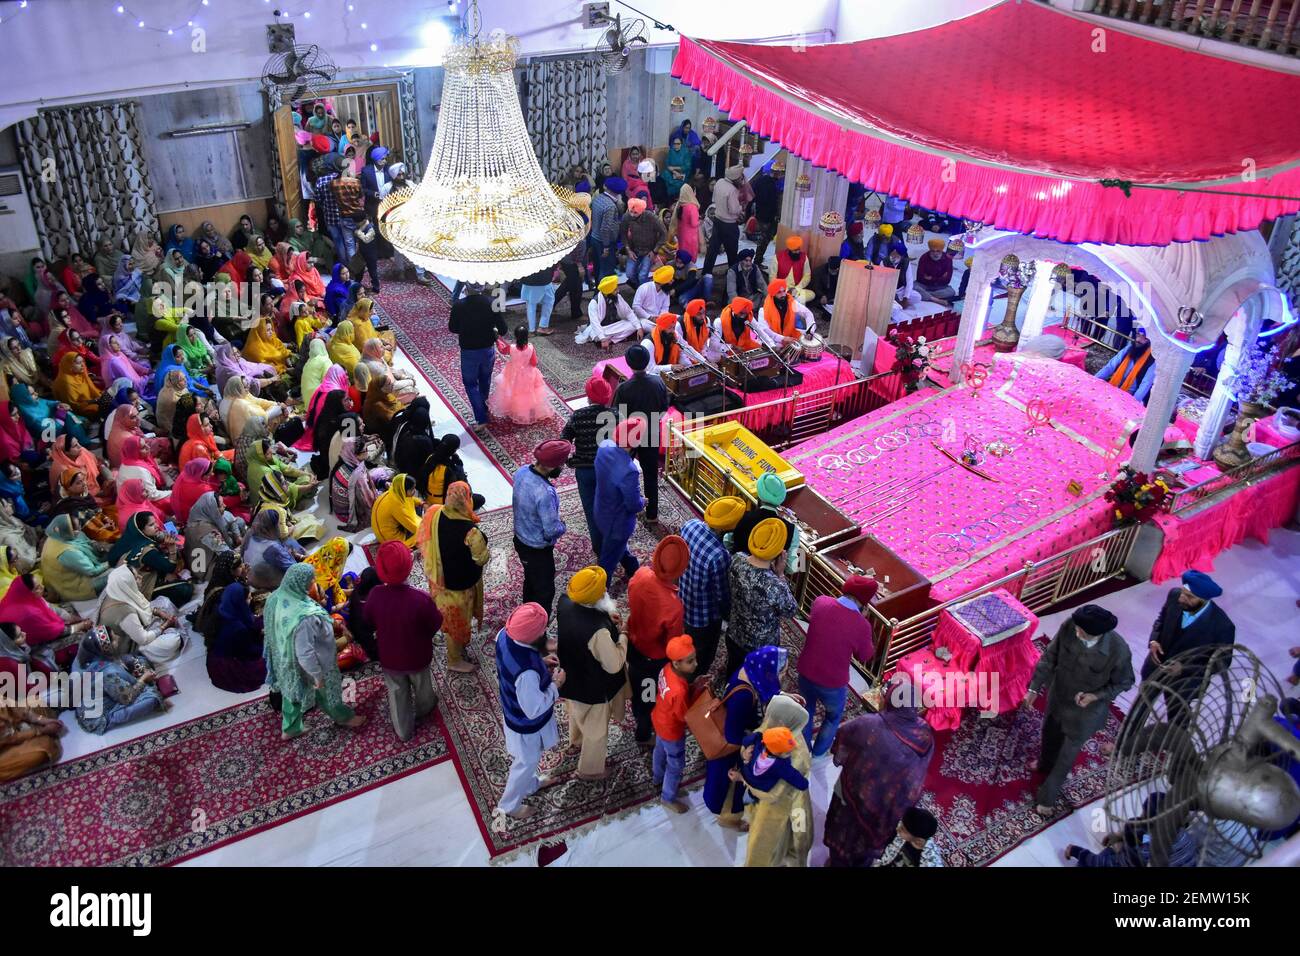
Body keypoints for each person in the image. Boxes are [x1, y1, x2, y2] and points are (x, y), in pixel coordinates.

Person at [1023, 604, 1134, 816]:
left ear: (1098, 634)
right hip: (1059, 696)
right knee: (1049, 733)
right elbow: (1049, 657)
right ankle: (1045, 763)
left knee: (1066, 755)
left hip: (1085, 713)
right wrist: (1034, 688)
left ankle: (1048, 798)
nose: (1077, 632)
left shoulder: (1118, 650)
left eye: (1082, 631)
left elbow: (1125, 682)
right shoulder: (1070, 626)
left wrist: (1096, 696)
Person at [824, 671, 935, 866]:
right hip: (887, 807)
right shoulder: (924, 733)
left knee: (843, 834)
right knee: (866, 845)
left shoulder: (870, 724)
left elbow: (842, 738)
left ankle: (837, 862)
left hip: (853, 795)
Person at [264, 563, 367, 741]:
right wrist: (317, 676)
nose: (313, 582)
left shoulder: (278, 597)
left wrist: (335, 624)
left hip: (284, 656)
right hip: (313, 663)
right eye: (310, 579)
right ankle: (344, 718)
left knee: (291, 691)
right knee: (328, 692)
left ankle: (291, 727)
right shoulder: (304, 618)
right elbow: (305, 653)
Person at [556, 565, 629, 781]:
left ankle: (575, 743)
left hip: (570, 676)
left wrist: (608, 619)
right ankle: (590, 770)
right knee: (596, 731)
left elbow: (584, 618)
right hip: (594, 686)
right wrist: (623, 636)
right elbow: (614, 664)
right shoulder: (598, 631)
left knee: (577, 714)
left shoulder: (565, 602)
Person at [364, 540, 442, 742]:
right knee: (423, 686)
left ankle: (403, 730)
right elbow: (435, 623)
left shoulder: (374, 595)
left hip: (390, 658)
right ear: (409, 567)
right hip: (418, 656)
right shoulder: (421, 599)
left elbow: (368, 620)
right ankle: (425, 710)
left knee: (397, 693)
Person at [494, 601, 565, 821]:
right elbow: (533, 709)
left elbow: (517, 659)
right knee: (525, 763)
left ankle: (532, 785)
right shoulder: (527, 674)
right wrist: (556, 686)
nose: (545, 633)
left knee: (530, 761)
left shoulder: (504, 635)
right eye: (542, 631)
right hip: (525, 724)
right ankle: (509, 806)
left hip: (513, 710)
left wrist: (540, 662)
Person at [1136, 570, 1235, 725]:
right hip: (1155, 666)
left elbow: (1222, 662)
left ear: (1204, 600)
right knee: (1141, 705)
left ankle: (1173, 745)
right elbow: (1161, 619)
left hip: (1184, 681)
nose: (1182, 598)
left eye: (1189, 597)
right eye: (1183, 592)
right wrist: (1154, 641)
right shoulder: (1175, 595)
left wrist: (1184, 667)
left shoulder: (1222, 626)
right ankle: (1126, 740)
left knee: (1177, 716)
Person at [703, 645, 787, 829]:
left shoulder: (748, 669)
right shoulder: (744, 696)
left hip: (734, 740)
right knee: (729, 794)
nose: (782, 677)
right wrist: (755, 740)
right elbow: (733, 736)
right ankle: (730, 820)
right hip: (733, 756)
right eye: (781, 673)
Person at [798, 574, 877, 758]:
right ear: (865, 603)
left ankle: (803, 750)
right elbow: (866, 655)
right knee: (832, 717)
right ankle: (817, 754)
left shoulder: (821, 602)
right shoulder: (861, 625)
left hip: (806, 670)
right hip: (832, 683)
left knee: (806, 709)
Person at [418, 481, 488, 674]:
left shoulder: (435, 512)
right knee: (457, 622)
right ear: (467, 500)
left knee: (449, 617)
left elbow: (425, 536)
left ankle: (455, 648)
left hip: (439, 578)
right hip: (459, 585)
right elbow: (481, 558)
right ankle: (454, 660)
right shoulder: (471, 532)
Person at [626, 534, 689, 746]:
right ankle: (643, 734)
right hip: (652, 661)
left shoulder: (641, 574)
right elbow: (672, 645)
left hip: (633, 647)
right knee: (648, 698)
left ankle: (638, 713)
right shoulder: (673, 606)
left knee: (637, 690)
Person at [739, 694, 813, 866]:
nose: (766, 716)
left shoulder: (796, 758)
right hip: (763, 800)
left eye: (770, 714)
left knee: (764, 851)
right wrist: (744, 756)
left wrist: (743, 778)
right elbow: (748, 744)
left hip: (777, 812)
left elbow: (779, 797)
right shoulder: (773, 730)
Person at [726, 520, 799, 681]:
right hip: (759, 649)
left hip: (734, 634)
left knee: (732, 674)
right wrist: (780, 575)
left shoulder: (737, 559)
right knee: (754, 688)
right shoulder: (774, 585)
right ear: (779, 553)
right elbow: (791, 609)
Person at [679, 495, 742, 676]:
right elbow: (722, 595)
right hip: (703, 617)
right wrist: (730, 617)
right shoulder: (719, 555)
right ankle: (692, 689)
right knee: (701, 659)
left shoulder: (690, 525)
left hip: (683, 598)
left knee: (688, 645)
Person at [511, 439, 571, 618]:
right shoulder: (544, 492)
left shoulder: (521, 472)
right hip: (537, 548)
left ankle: (526, 611)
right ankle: (537, 629)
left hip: (520, 538)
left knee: (530, 580)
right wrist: (563, 526)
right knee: (544, 591)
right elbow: (551, 529)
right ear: (554, 465)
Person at [70, 626, 165, 736]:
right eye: (114, 639)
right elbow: (128, 698)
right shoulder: (107, 672)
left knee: (132, 659)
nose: (118, 637)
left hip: (100, 697)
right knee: (152, 700)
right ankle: (112, 716)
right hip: (99, 715)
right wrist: (143, 679)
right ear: (105, 648)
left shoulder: (85, 659)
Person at [612, 344, 669, 524]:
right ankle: (652, 514)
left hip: (630, 435)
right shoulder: (658, 382)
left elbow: (618, 415)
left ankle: (624, 504)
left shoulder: (623, 388)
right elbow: (664, 407)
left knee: (623, 470)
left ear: (628, 363)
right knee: (651, 475)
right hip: (651, 432)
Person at [562, 375, 615, 558]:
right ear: (608, 395)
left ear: (588, 396)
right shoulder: (616, 415)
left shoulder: (578, 416)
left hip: (585, 470)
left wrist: (568, 460)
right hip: (609, 470)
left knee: (591, 509)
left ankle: (599, 548)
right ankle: (613, 542)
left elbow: (564, 440)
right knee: (610, 505)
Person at [651, 634, 701, 812]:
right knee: (676, 764)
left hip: (659, 718)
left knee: (659, 749)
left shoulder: (666, 668)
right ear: (677, 663)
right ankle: (668, 797)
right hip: (672, 730)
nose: (695, 664)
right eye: (690, 661)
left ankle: (656, 777)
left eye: (695, 658)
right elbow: (683, 716)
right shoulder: (679, 691)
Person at [448, 284, 508, 431]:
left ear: (466, 288)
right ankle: (483, 407)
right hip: (488, 349)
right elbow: (503, 329)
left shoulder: (459, 305)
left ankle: (481, 417)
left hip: (469, 351)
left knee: (470, 384)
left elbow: (453, 328)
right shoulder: (491, 302)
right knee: (485, 379)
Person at [593, 416, 645, 582]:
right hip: (618, 524)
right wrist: (644, 501)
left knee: (617, 548)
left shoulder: (604, 446)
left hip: (601, 511)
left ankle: (632, 567)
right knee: (606, 564)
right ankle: (599, 595)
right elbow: (633, 505)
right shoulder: (629, 470)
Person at [488, 325, 553, 425]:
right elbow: (534, 362)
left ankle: (516, 408)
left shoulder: (512, 347)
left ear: (515, 336)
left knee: (514, 391)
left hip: (513, 373)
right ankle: (529, 408)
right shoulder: (531, 347)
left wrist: (497, 339)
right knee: (529, 392)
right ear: (527, 336)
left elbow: (502, 350)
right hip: (528, 374)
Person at [701, 165, 745, 279]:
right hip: (729, 225)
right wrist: (741, 208)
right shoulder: (732, 190)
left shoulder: (719, 182)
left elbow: (714, 199)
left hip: (717, 221)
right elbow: (734, 210)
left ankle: (706, 274)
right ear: (736, 178)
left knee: (712, 250)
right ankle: (732, 277)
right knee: (732, 253)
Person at [1095, 326, 1157, 403]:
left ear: (1150, 341)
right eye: (1138, 335)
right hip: (1113, 387)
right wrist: (1094, 380)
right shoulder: (1128, 349)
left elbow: (1145, 385)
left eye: (1144, 337)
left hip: (1130, 397)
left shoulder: (1152, 360)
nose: (1138, 340)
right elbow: (1110, 367)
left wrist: (1132, 403)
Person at [576, 275, 640, 349]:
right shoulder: (594, 303)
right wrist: (602, 339)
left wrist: (639, 327)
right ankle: (608, 339)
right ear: (608, 292)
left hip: (613, 327)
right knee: (595, 334)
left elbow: (628, 312)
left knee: (632, 325)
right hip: (599, 329)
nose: (618, 291)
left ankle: (611, 340)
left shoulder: (617, 297)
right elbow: (595, 323)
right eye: (615, 290)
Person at [873, 807, 944, 868]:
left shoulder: (931, 862)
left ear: (919, 840)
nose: (898, 828)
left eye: (903, 829)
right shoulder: (906, 827)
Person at [757, 278, 814, 347]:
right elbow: (764, 330)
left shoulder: (791, 302)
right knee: (773, 346)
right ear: (773, 294)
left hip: (790, 336)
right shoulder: (763, 310)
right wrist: (782, 338)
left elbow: (808, 314)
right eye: (779, 292)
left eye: (784, 291)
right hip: (773, 340)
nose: (783, 295)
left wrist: (809, 331)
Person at [589, 176, 625, 282]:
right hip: (604, 242)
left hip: (594, 237)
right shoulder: (610, 206)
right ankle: (602, 295)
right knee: (606, 271)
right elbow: (606, 228)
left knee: (598, 267)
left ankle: (598, 291)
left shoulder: (598, 198)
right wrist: (606, 246)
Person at [371, 473, 420, 546]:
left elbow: (409, 499)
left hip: (380, 529)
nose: (414, 491)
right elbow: (415, 527)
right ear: (403, 490)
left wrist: (421, 502)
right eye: (412, 489)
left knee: (418, 508)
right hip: (389, 538)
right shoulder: (397, 506)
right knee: (422, 533)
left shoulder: (393, 491)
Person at [750, 165, 782, 265]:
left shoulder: (760, 180)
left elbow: (753, 196)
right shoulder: (771, 185)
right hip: (767, 217)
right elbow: (772, 202)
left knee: (762, 239)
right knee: (764, 240)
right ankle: (757, 261)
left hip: (760, 214)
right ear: (777, 173)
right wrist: (775, 215)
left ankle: (757, 260)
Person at [914, 238, 956, 305]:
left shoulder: (948, 259)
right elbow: (920, 278)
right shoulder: (924, 257)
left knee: (951, 292)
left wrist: (931, 278)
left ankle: (926, 295)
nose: (935, 253)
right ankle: (936, 300)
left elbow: (947, 280)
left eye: (938, 251)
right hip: (924, 285)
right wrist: (940, 278)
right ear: (930, 250)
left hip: (940, 286)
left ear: (942, 251)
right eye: (933, 251)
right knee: (913, 286)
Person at [773, 236, 813, 305]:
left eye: (798, 249)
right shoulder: (777, 257)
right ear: (789, 249)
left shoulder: (804, 257)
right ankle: (792, 302)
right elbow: (772, 277)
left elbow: (807, 276)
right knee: (800, 299)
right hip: (781, 289)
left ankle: (789, 301)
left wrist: (797, 288)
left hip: (796, 290)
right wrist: (784, 290)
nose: (797, 252)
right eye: (795, 250)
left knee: (812, 294)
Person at [518, 265, 557, 335]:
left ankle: (532, 329)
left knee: (531, 304)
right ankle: (542, 326)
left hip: (527, 277)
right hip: (543, 277)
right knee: (548, 301)